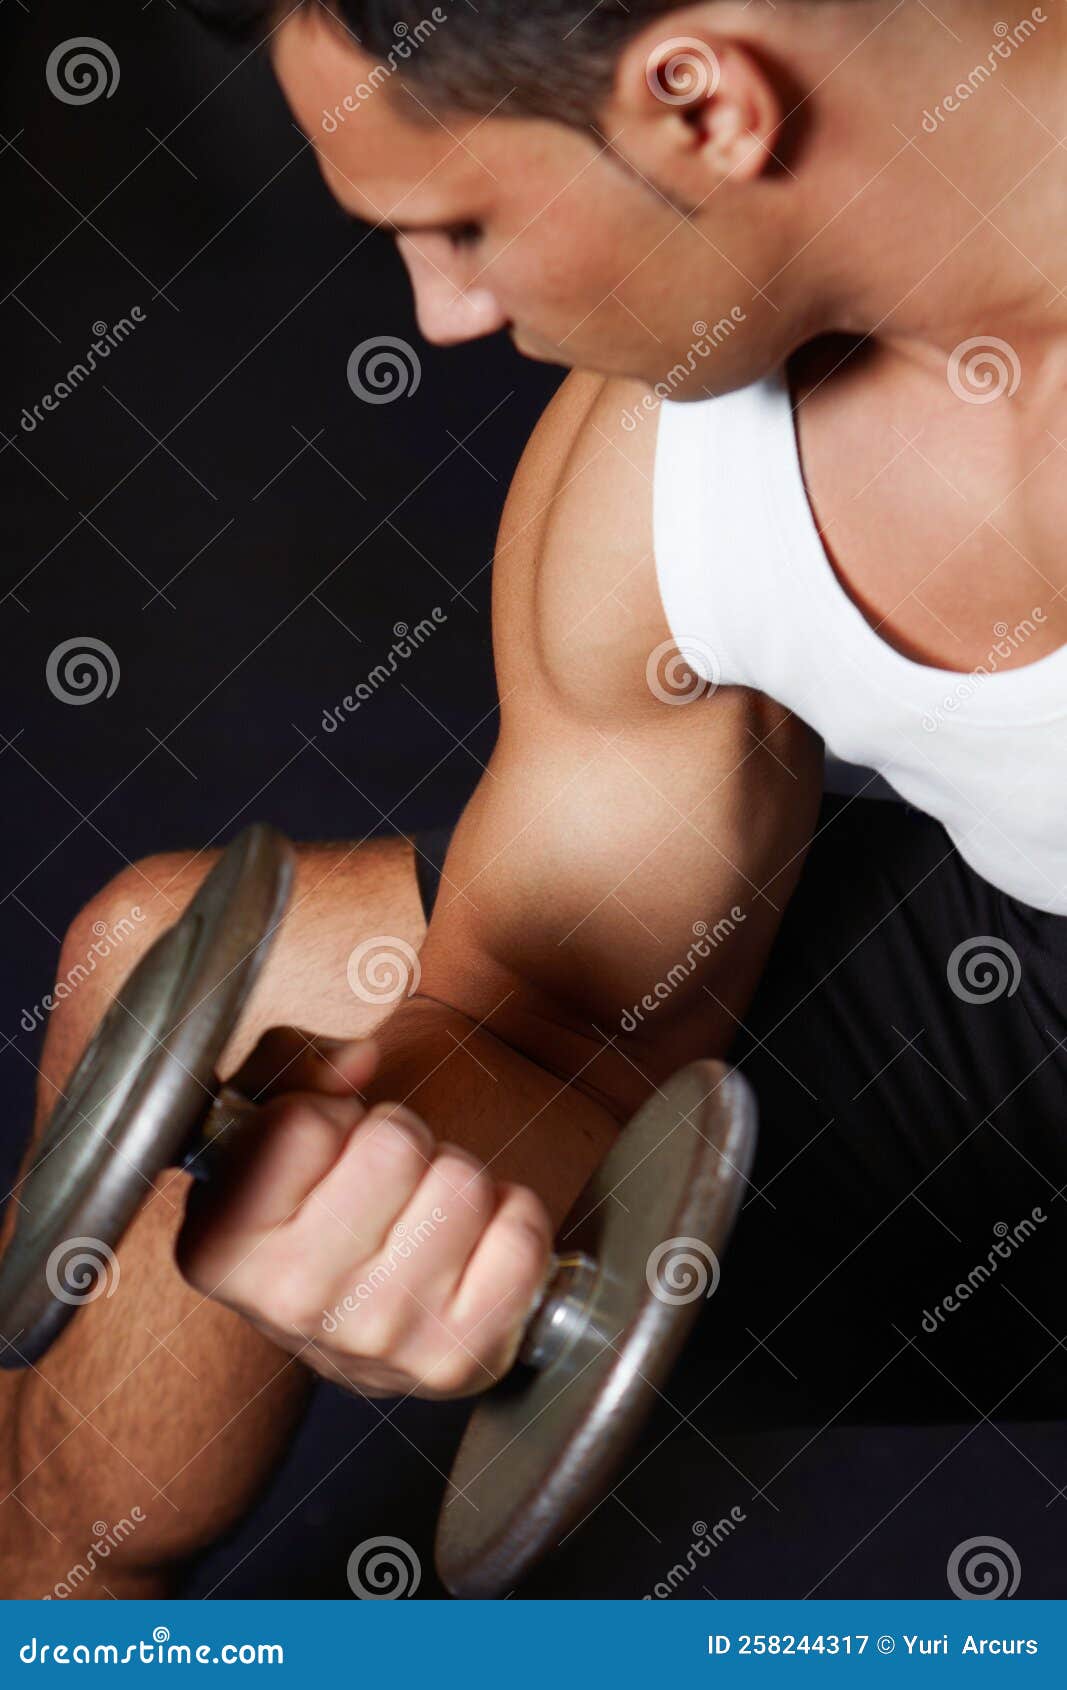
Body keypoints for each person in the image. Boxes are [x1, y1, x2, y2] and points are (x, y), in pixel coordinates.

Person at [3, 0, 1066, 1597]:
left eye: (464, 226)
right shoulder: (659, 478)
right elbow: (556, 1026)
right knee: (218, 983)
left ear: (699, 101)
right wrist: (390, 1194)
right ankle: (48, 1613)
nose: (445, 313)